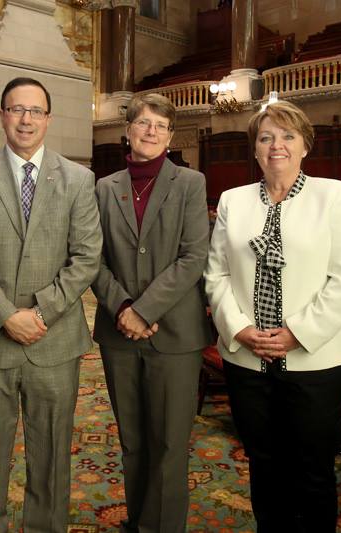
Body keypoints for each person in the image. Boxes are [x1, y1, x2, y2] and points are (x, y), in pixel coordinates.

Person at [0, 77, 102, 533]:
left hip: (53, 342)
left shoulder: (78, 179)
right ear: (2, 116)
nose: (26, 119)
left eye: (35, 111)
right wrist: (5, 316)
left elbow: (86, 258)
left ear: (48, 119)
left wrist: (39, 314)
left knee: (52, 457)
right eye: (17, 109)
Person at [204, 100, 341, 533]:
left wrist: (297, 333)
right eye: (266, 137)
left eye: (287, 136)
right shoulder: (234, 200)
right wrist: (238, 328)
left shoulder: (335, 195)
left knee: (312, 471)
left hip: (318, 362)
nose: (277, 145)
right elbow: (215, 273)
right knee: (264, 464)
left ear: (305, 145)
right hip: (247, 359)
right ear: (255, 149)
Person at [91, 93, 212, 533]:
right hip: (117, 331)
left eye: (160, 126)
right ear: (127, 129)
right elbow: (92, 258)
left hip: (175, 333)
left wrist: (142, 309)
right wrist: (123, 307)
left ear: (170, 135)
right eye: (143, 123)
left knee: (169, 441)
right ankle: (140, 519)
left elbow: (194, 255)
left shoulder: (190, 183)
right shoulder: (104, 188)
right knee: (133, 439)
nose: (150, 132)